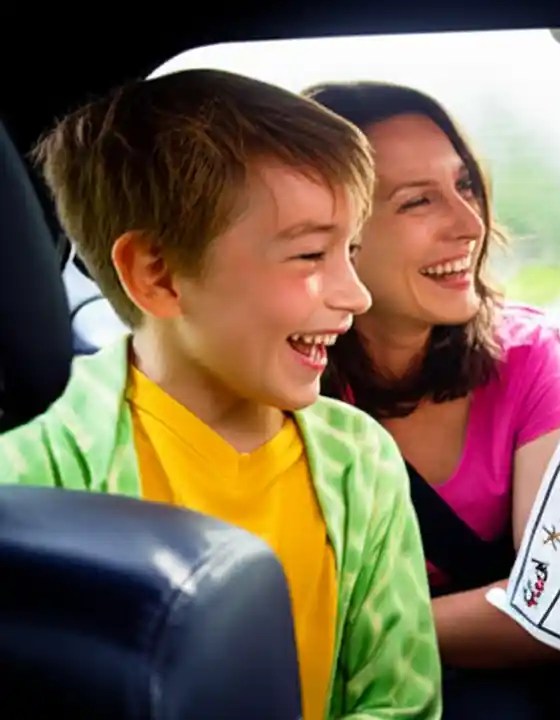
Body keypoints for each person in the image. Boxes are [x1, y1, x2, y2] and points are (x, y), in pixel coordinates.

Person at [0, 69, 441, 719]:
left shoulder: (359, 461)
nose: (357, 295)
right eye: (311, 255)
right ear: (159, 276)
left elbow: (399, 702)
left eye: (351, 250)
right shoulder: (37, 464)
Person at [304, 81, 560, 718]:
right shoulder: (285, 381)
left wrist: (358, 634)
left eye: (464, 187)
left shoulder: (529, 354)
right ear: (331, 233)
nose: (468, 224)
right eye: (416, 202)